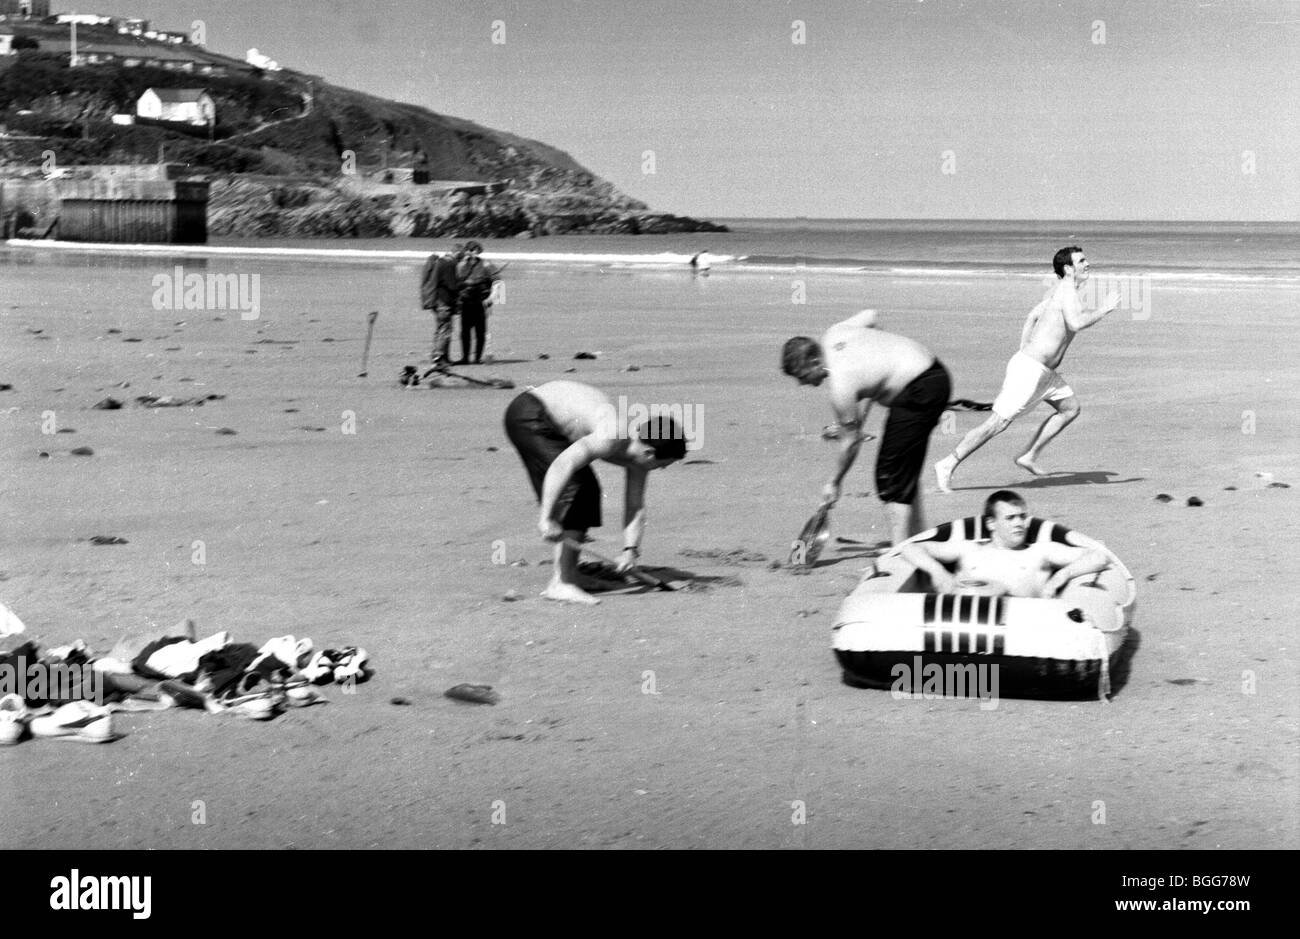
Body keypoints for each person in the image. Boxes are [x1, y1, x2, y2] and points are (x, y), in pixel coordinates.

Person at [934, 246, 1120, 492]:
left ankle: (1029, 455)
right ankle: (948, 463)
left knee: (1070, 409)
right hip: (1031, 371)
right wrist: (1105, 308)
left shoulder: (1064, 293)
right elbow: (1076, 322)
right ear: (1068, 268)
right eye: (1082, 261)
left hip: (1045, 374)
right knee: (997, 424)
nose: (1087, 264)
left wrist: (1023, 347)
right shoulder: (1066, 291)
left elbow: (1033, 315)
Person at [503, 380, 687, 605]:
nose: (663, 468)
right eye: (663, 464)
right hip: (530, 414)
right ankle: (561, 583)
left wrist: (630, 551)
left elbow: (635, 506)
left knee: (586, 490)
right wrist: (546, 517)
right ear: (649, 453)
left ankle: (570, 574)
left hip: (547, 417)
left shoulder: (639, 459)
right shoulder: (613, 435)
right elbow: (563, 464)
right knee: (578, 488)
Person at [782, 309, 952, 546]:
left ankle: (900, 552)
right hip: (935, 375)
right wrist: (876, 351)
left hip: (919, 391)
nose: (802, 383)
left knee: (890, 477)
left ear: (814, 361)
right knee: (905, 468)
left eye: (802, 375)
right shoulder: (835, 333)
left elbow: (850, 442)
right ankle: (916, 540)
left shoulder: (841, 387)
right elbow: (871, 316)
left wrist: (835, 481)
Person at [899, 490, 1110, 598]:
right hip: (961, 624)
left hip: (1020, 630)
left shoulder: (1041, 551)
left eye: (1022, 517)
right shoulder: (968, 548)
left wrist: (1061, 576)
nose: (1019, 523)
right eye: (1010, 518)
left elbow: (1099, 556)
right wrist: (938, 572)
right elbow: (910, 547)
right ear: (991, 523)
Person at [418, 244, 467, 370]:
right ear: (457, 254)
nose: (460, 261)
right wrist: (463, 284)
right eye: (460, 258)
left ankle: (443, 357)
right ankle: (439, 358)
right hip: (444, 302)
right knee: (445, 331)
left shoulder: (440, 262)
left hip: (435, 301)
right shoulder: (449, 264)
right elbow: (452, 286)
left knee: (440, 330)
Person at [455, 241, 500, 365]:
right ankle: (465, 358)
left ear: (479, 251)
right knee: (465, 332)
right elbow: (456, 282)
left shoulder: (486, 264)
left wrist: (491, 299)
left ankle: (477, 358)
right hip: (465, 302)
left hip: (481, 303)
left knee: (480, 332)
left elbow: (497, 282)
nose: (472, 252)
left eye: (475, 250)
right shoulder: (461, 265)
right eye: (470, 250)